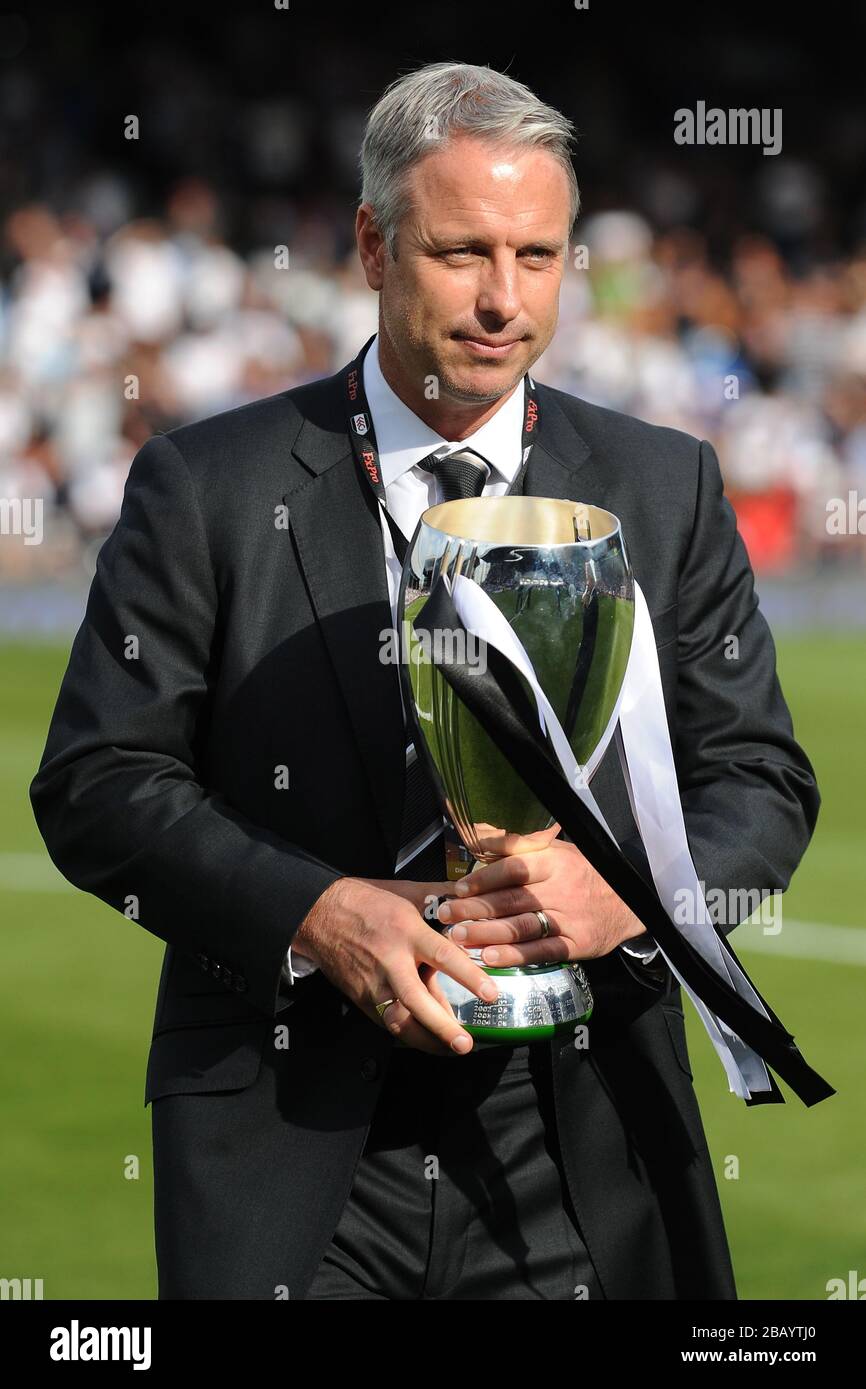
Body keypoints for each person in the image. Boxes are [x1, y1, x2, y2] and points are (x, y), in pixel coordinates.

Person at [30, 61, 819, 1300]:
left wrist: (630, 896)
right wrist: (314, 913)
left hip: (579, 1138)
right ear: (371, 246)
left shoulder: (663, 488)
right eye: (462, 253)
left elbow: (760, 780)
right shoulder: (208, 485)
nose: (504, 300)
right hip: (292, 1141)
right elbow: (95, 780)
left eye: (537, 256)